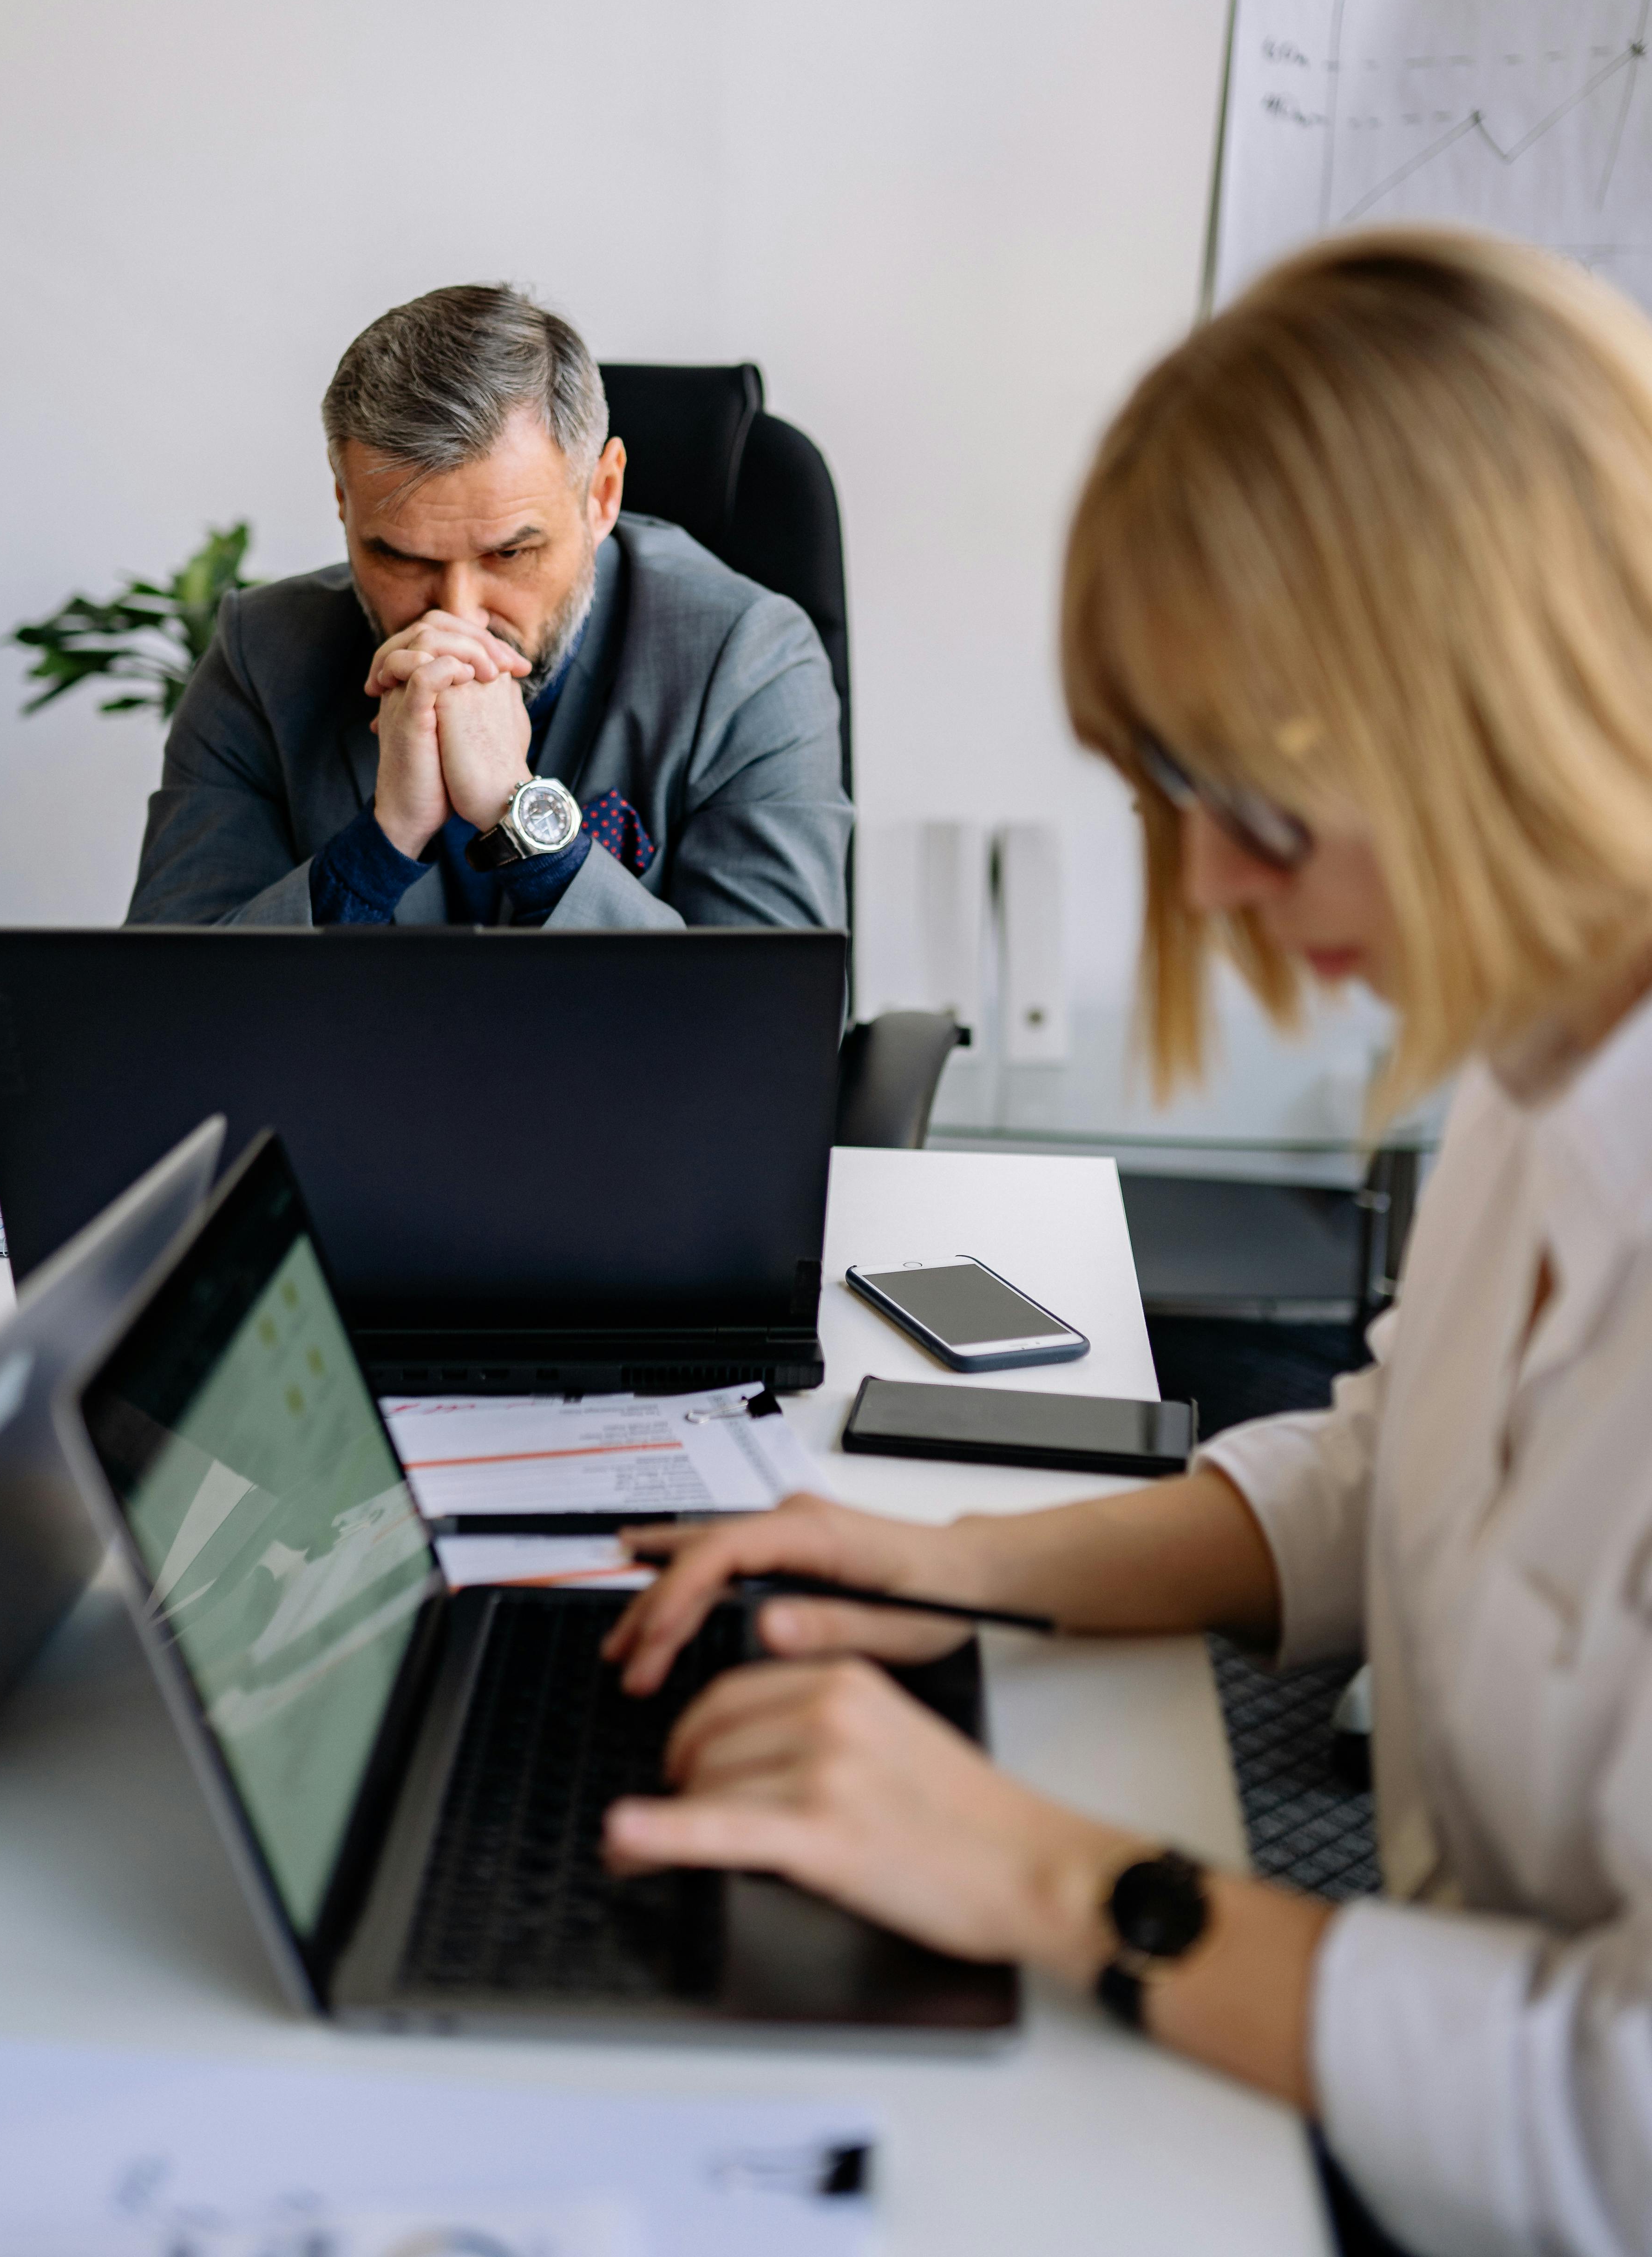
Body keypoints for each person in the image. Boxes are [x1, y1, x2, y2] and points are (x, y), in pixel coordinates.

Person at [602, 227, 1652, 2257]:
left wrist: (1050, 1880)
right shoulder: (1552, 1049)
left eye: (1238, 792)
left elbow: (1618, 2121)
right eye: (1161, 794)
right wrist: (954, 1565)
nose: (1207, 883)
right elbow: (1380, 1464)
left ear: (1507, 695)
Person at [126, 284, 851, 931]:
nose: (458, 615)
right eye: (402, 557)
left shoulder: (749, 660)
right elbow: (164, 1014)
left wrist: (526, 822)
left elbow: (764, 1034)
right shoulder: (263, 655)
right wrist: (380, 846)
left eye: (509, 554)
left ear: (602, 496)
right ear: (344, 504)